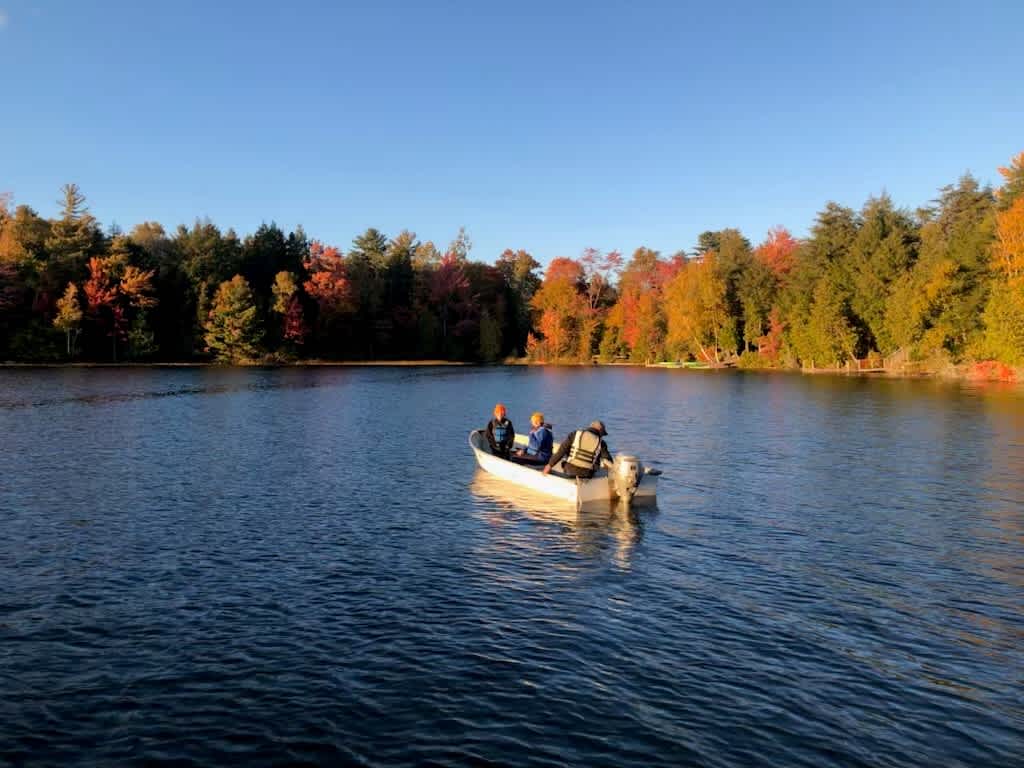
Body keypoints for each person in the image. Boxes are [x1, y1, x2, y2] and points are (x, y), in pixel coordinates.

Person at [543, 420, 613, 479]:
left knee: (564, 459)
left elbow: (561, 451)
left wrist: (549, 465)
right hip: (587, 474)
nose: (601, 436)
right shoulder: (601, 443)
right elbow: (608, 460)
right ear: (600, 431)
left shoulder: (575, 434)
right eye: (602, 434)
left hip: (570, 470)